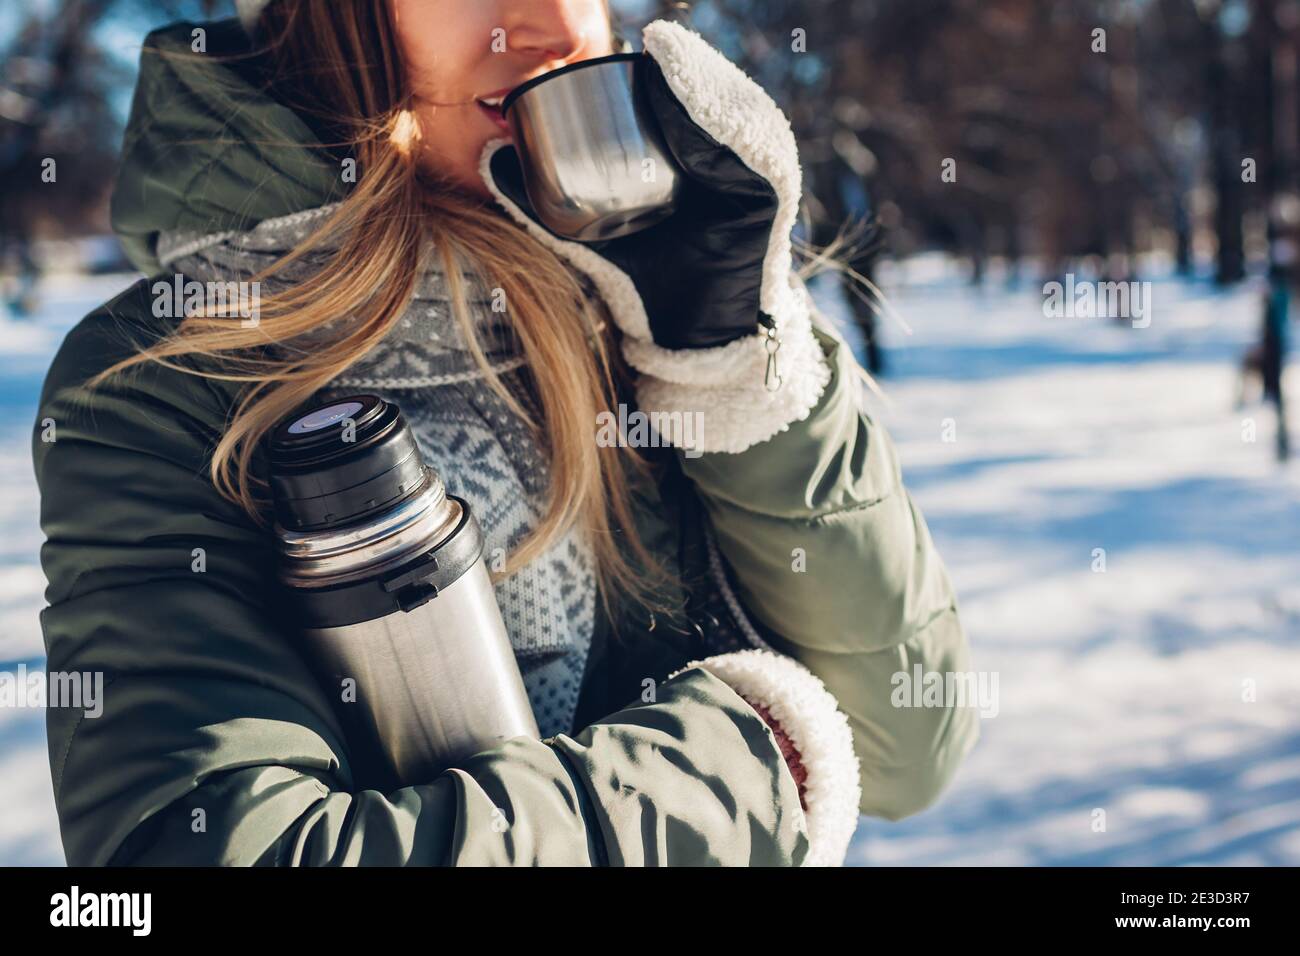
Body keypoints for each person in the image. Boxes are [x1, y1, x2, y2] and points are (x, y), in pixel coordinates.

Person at [32, 0, 976, 866]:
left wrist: (733, 366)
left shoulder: (656, 300)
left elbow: (904, 747)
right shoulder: (169, 377)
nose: (555, 29)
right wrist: (749, 763)